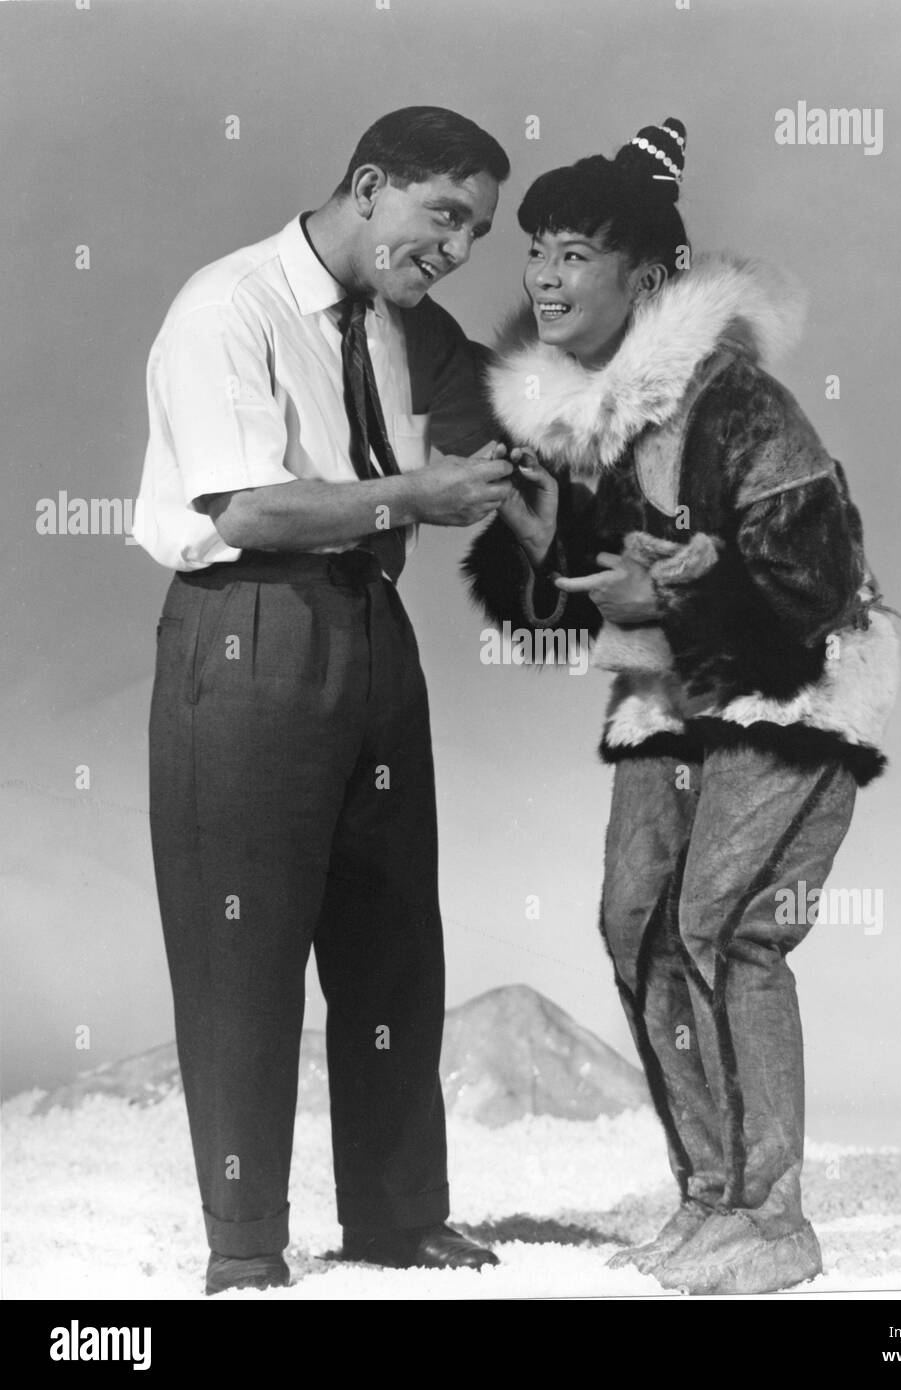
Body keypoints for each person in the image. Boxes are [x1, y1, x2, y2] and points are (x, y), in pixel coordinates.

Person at [463, 118, 901, 1295]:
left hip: (789, 681)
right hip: (671, 691)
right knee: (634, 923)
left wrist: (670, 577)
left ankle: (775, 1215)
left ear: (647, 277)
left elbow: (810, 577)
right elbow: (556, 606)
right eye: (537, 252)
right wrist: (542, 553)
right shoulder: (582, 418)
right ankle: (708, 1195)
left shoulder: (736, 401)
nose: (545, 279)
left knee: (727, 924)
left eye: (573, 254)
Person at [134, 106, 515, 1294]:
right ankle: (244, 1245)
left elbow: (512, 423)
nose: (454, 247)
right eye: (440, 215)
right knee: (242, 945)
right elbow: (243, 508)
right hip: (251, 627)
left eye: (476, 230)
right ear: (366, 185)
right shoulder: (227, 307)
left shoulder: (412, 324)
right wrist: (418, 491)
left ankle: (399, 1219)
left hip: (369, 626)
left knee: (395, 935)